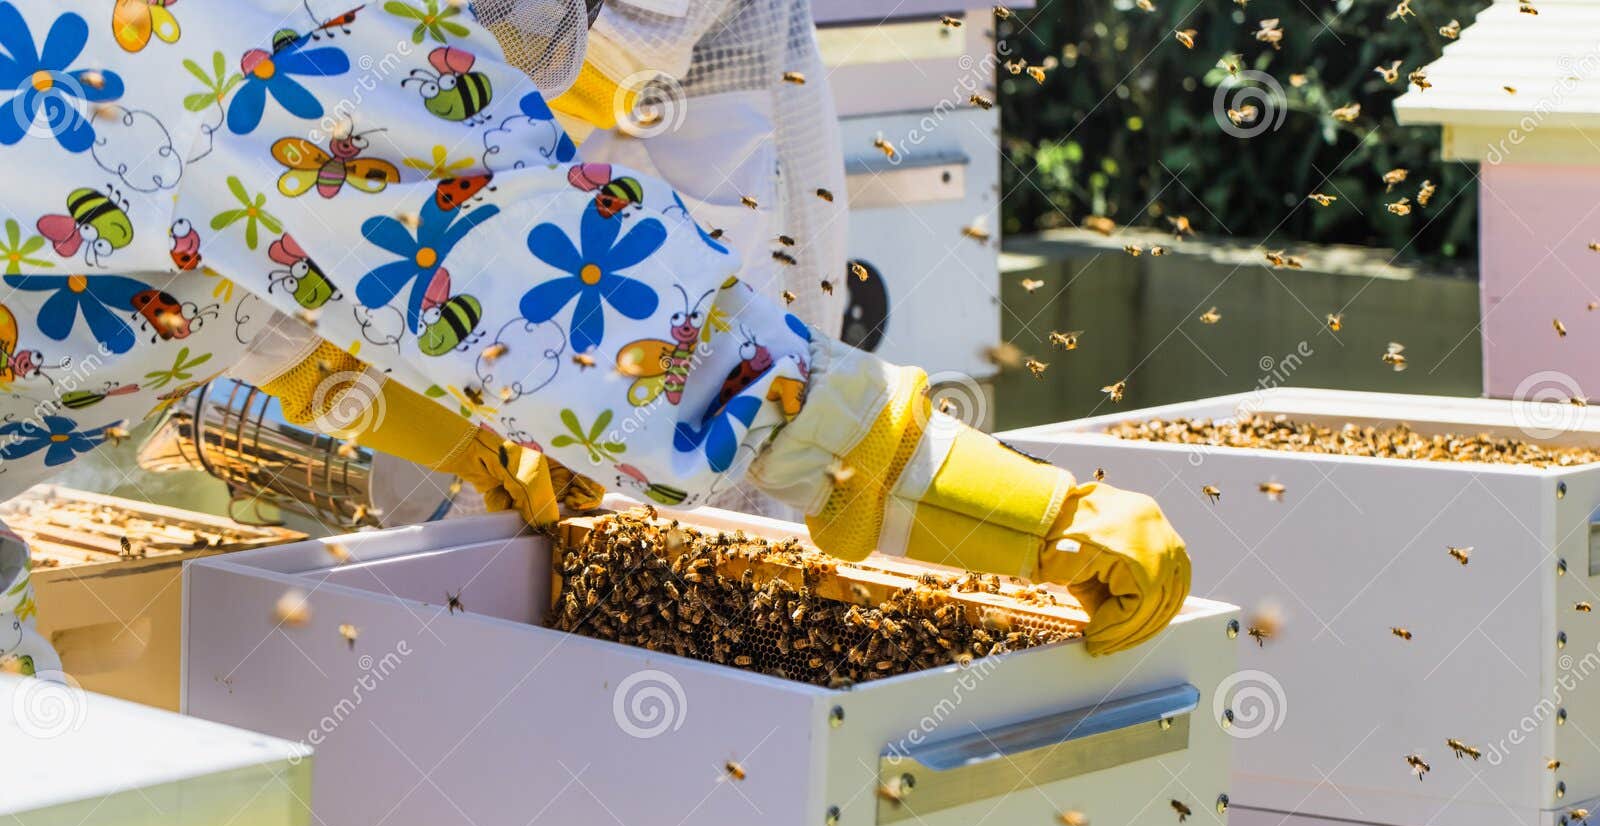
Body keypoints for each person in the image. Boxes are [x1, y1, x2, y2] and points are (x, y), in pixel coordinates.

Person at [0, 0, 1188, 680]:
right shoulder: (288, 24)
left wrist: (396, 406)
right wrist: (925, 475)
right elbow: (508, 237)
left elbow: (210, 259)